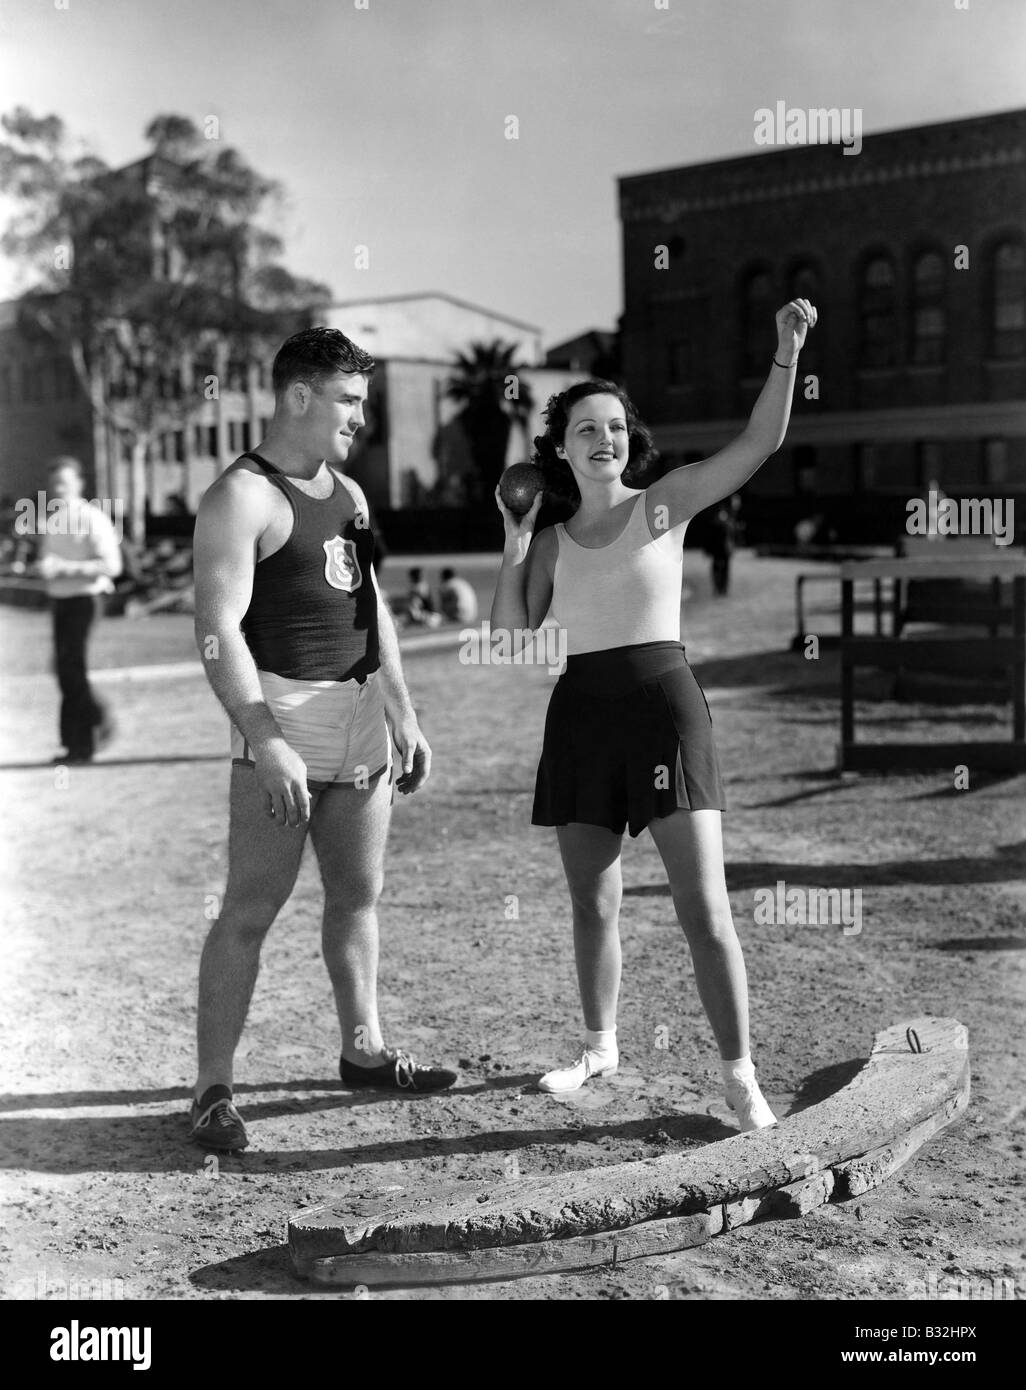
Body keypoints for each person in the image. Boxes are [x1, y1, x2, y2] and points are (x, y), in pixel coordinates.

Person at [491, 298, 817, 1131]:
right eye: (586, 430)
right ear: (560, 450)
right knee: (592, 901)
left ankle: (740, 1076)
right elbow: (509, 634)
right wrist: (516, 535)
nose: (605, 439)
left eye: (616, 427)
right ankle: (599, 1046)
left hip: (665, 709)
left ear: (630, 440)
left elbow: (758, 445)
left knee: (703, 909)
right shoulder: (553, 538)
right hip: (582, 716)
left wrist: (785, 351)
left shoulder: (663, 505)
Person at [190, 326, 456, 1152]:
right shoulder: (241, 496)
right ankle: (210, 1092)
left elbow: (370, 602)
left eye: (364, 405)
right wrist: (266, 740)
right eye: (348, 401)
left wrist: (402, 707)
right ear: (299, 396)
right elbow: (216, 630)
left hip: (362, 719)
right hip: (286, 718)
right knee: (250, 907)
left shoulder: (350, 493)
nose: (360, 420)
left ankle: (364, 1051)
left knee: (358, 895)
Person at [37, 456, 122, 764]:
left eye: (64, 482)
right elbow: (51, 561)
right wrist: (47, 569)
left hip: (85, 600)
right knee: (64, 670)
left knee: (70, 669)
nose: (58, 489)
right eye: (54, 483)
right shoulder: (54, 519)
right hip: (61, 600)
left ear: (78, 484)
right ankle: (76, 741)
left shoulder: (92, 518)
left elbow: (112, 566)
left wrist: (63, 568)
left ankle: (86, 739)